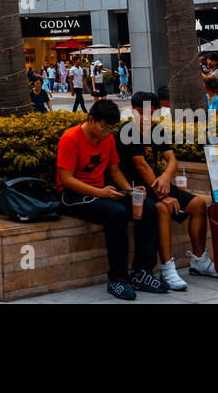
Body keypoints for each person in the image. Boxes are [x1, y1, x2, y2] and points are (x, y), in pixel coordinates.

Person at [55, 99, 165, 300]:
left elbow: (114, 169)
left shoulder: (108, 138)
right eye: (104, 127)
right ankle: (118, 279)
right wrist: (100, 193)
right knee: (117, 213)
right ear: (91, 120)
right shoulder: (70, 138)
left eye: (112, 128)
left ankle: (142, 272)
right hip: (73, 195)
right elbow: (66, 179)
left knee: (147, 207)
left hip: (100, 190)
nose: (108, 132)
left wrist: (130, 191)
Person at [120, 92, 217, 287]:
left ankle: (199, 260)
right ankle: (167, 268)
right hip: (136, 189)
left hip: (157, 183)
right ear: (132, 112)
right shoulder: (127, 131)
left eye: (151, 114)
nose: (146, 118)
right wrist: (163, 196)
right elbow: (141, 166)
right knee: (162, 209)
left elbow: (172, 159)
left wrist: (165, 177)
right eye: (141, 113)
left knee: (198, 205)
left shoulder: (156, 130)